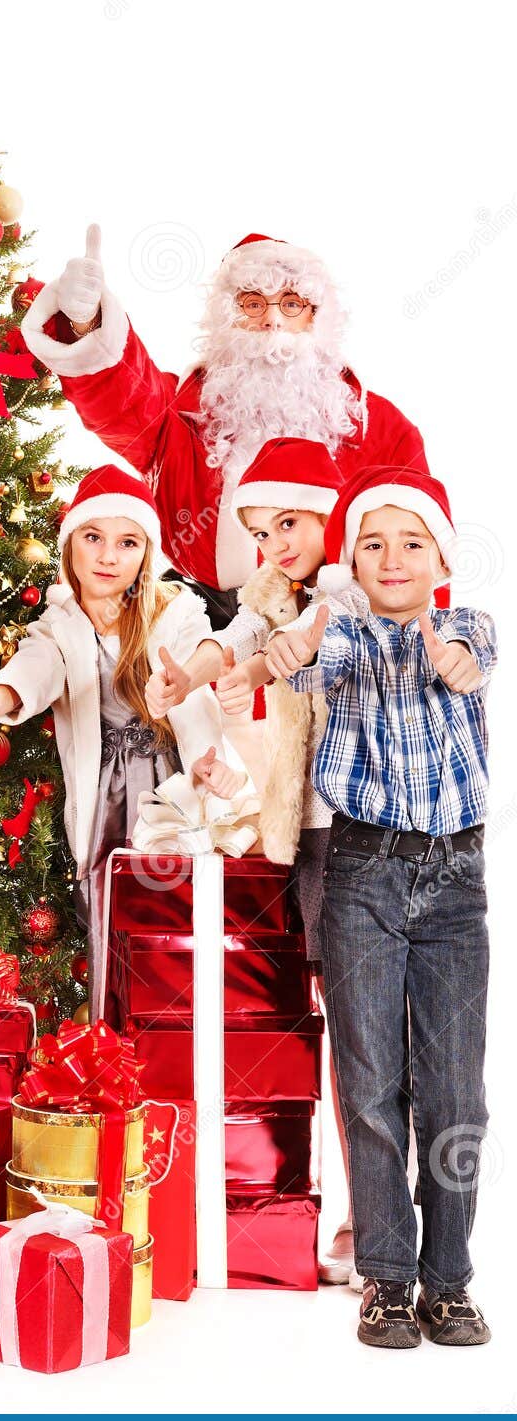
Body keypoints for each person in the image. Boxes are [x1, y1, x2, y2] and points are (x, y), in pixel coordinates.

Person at [270, 466, 493, 1350]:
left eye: (412, 542)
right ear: (353, 563)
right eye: (373, 544)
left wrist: (452, 662)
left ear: (441, 557)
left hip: (455, 883)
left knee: (454, 1092)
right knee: (370, 1087)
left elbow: (469, 662)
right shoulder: (345, 634)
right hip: (362, 872)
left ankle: (450, 1281)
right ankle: (389, 1279)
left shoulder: (469, 625)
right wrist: (287, 652)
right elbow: (308, 657)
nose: (393, 558)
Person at [144, 437, 364, 1284]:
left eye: (289, 524)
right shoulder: (273, 590)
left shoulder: (353, 587)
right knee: (331, 1021)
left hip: (362, 828)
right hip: (304, 832)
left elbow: (301, 642)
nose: (274, 545)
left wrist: (262, 670)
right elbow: (235, 638)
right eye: (260, 532)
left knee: (367, 1032)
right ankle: (352, 1207)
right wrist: (187, 679)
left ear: (328, 517)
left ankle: (378, 1216)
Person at [21, 227, 428, 624]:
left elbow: (419, 550)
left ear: (315, 317)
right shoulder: (180, 410)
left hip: (334, 630)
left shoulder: (379, 426)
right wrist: (86, 323)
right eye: (254, 304)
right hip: (197, 624)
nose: (272, 321)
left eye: (291, 304)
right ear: (228, 317)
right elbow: (123, 398)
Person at [0, 467, 235, 1001]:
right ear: (71, 546)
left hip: (171, 786)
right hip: (104, 796)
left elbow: (199, 681)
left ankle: (182, 1031)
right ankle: (116, 1029)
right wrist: (0, 699)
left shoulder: (175, 611)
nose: (109, 557)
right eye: (93, 538)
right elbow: (38, 667)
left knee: (182, 914)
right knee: (108, 911)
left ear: (146, 554)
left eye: (127, 543)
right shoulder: (60, 624)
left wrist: (209, 758)